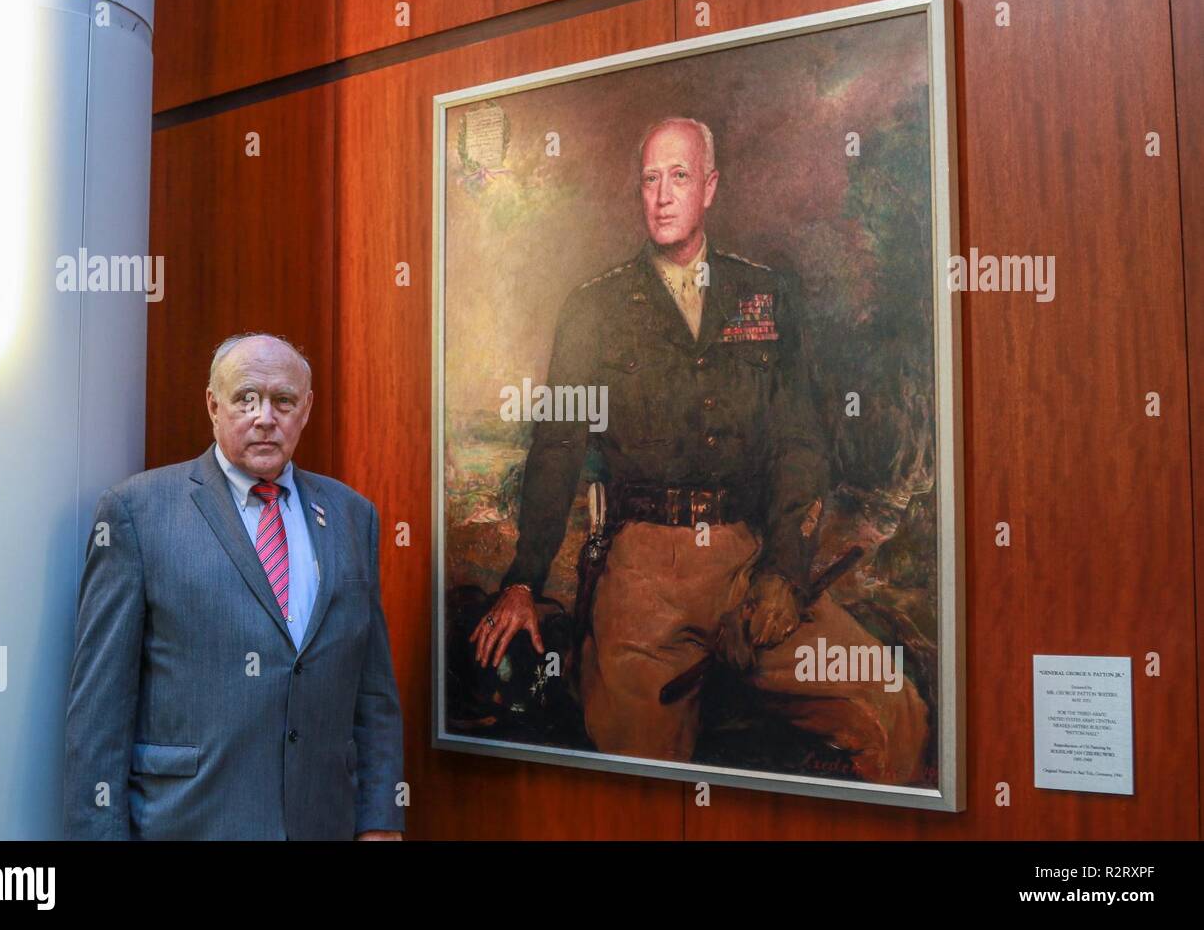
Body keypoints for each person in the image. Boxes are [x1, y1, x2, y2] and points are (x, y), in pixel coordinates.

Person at [471, 118, 928, 783]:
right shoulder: (594, 308)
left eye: (678, 177)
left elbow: (800, 443)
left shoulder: (764, 297)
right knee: (635, 770)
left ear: (709, 187)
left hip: (750, 557)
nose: (661, 195)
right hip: (644, 573)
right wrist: (522, 579)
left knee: (894, 712)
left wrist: (785, 571)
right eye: (650, 179)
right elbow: (557, 446)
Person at [64, 333, 404, 839]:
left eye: (282, 401)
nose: (265, 416)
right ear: (213, 405)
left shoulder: (353, 516)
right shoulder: (137, 513)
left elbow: (372, 692)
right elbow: (99, 711)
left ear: (305, 409)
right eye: (246, 398)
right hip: (190, 823)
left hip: (320, 822)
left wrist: (381, 823)